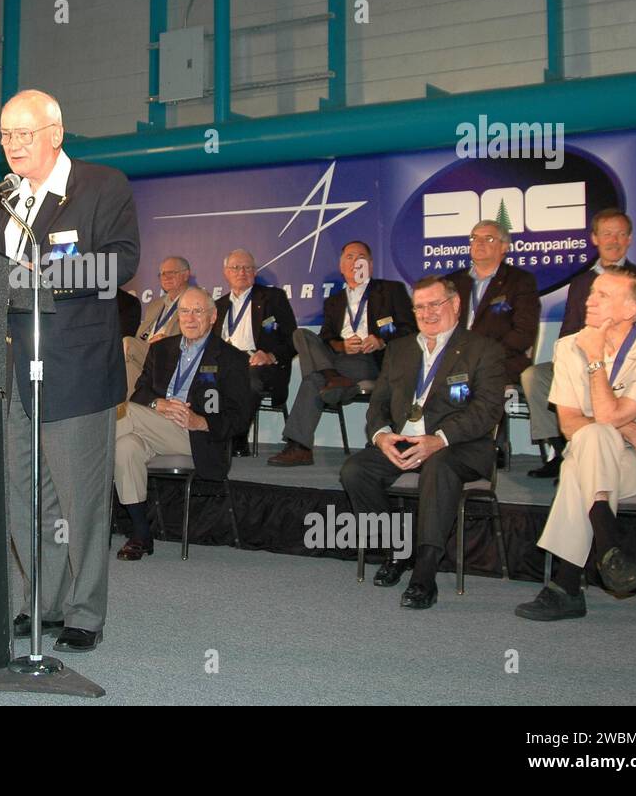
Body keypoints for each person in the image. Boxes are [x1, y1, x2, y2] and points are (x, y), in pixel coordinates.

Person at [0, 89, 139, 653]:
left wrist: (43, 273)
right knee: (27, 498)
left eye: (24, 133)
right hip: (14, 372)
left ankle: (85, 612)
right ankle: (40, 601)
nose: (13, 145)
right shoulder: (1, 200)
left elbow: (120, 262)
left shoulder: (101, 186)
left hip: (76, 368)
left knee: (81, 502)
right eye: (5, 134)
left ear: (55, 133)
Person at [516, 266, 636, 620]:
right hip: (601, 457)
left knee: (580, 460)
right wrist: (621, 426)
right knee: (591, 442)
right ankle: (609, 549)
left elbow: (602, 418)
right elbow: (568, 424)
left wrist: (595, 362)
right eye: (591, 293)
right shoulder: (567, 347)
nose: (588, 300)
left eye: (602, 296)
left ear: (631, 310)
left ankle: (567, 585)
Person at [339, 277, 505, 609]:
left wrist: (439, 440)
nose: (427, 313)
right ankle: (397, 550)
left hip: (459, 445)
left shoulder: (484, 350)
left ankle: (424, 575)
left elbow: (486, 412)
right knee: (355, 471)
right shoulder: (399, 349)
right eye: (420, 306)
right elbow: (378, 405)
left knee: (439, 467)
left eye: (435, 304)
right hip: (404, 440)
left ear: (455, 305)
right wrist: (382, 435)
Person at [522, 209, 636, 478]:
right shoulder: (580, 282)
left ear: (630, 240)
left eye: (621, 234)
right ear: (594, 238)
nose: (614, 240)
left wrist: (601, 357)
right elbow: (568, 331)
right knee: (534, 376)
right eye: (607, 233)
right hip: (580, 358)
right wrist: (578, 361)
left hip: (622, 363)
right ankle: (563, 449)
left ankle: (596, 450)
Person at [115, 286, 251, 559]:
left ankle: (82, 467)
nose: (189, 318)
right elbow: (141, 392)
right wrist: (157, 404)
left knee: (125, 413)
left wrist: (199, 421)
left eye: (198, 311)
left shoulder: (231, 359)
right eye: (185, 311)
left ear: (213, 317)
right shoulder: (161, 349)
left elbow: (240, 417)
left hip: (197, 437)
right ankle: (141, 533)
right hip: (153, 426)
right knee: (125, 447)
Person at [268, 241, 414, 466]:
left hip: (370, 361)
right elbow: (327, 338)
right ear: (341, 266)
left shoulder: (390, 291)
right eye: (349, 257)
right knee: (301, 335)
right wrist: (342, 346)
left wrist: (381, 340)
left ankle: (301, 447)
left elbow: (409, 329)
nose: (355, 262)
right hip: (338, 359)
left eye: (361, 257)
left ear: (370, 265)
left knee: (313, 380)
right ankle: (333, 378)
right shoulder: (334, 302)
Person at [212, 248, 297, 455]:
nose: (242, 272)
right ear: (226, 272)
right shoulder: (218, 305)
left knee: (247, 377)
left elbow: (293, 339)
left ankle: (237, 436)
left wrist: (270, 355)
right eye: (236, 267)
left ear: (255, 272)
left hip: (258, 364)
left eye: (248, 267)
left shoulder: (273, 297)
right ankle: (210, 434)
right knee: (204, 377)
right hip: (224, 362)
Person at [443, 220, 540, 385]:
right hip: (454, 364)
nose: (479, 243)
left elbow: (523, 332)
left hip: (499, 364)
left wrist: (483, 355)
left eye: (488, 238)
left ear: (504, 247)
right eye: (474, 238)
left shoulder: (520, 281)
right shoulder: (451, 282)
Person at [124, 256, 191, 396]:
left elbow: (197, 335)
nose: (166, 277)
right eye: (162, 274)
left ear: (186, 275)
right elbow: (140, 336)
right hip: (146, 353)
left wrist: (166, 340)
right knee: (127, 367)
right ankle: (132, 411)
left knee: (127, 343)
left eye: (171, 272)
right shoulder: (155, 305)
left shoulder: (194, 301)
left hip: (171, 354)